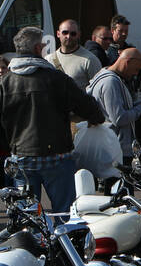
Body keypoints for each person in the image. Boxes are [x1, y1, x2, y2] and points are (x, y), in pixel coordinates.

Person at [0, 26, 106, 213]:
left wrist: (10, 147)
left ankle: (30, 242)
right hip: (57, 154)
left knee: (27, 216)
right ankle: (63, 241)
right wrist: (93, 118)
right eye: (43, 44)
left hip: (21, 154)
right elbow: (90, 108)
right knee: (65, 213)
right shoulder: (57, 79)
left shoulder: (6, 82)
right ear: (36, 49)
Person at [87, 47, 141, 161]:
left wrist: (140, 104)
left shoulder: (106, 75)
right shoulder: (111, 82)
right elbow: (119, 118)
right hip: (115, 149)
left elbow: (119, 108)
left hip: (112, 146)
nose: (135, 74)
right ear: (127, 62)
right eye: (136, 69)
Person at [48, 20, 99, 89]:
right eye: (65, 32)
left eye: (73, 34)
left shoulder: (90, 60)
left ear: (79, 35)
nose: (68, 36)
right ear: (58, 34)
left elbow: (98, 90)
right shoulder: (48, 59)